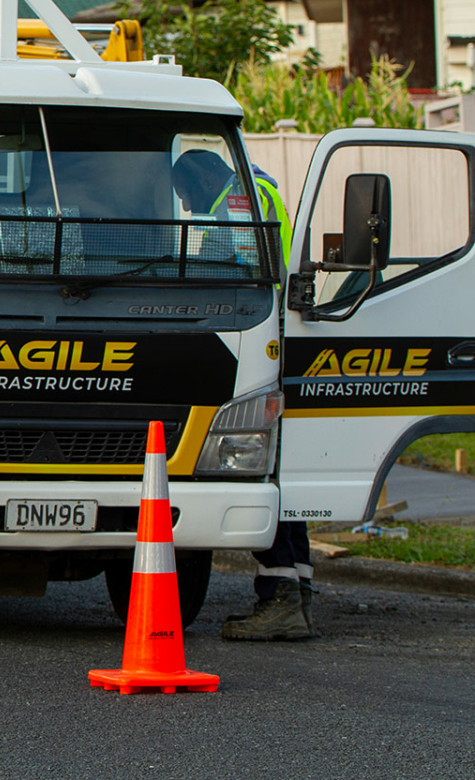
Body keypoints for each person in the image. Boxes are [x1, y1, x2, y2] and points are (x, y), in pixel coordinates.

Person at [172, 149, 313, 640]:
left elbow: (229, 262)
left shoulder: (233, 199)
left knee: (253, 470)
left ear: (204, 177)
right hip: (277, 331)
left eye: (186, 193)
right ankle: (296, 595)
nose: (187, 208)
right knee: (279, 479)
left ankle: (282, 602)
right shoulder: (259, 186)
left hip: (256, 334)